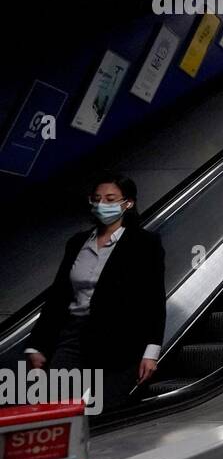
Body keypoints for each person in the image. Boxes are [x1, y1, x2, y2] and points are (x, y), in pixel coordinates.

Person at [27, 174, 164, 412]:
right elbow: (58, 296)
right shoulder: (78, 242)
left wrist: (151, 352)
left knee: (103, 410)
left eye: (111, 199)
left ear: (127, 203)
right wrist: (37, 344)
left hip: (118, 341)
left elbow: (153, 300)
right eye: (97, 198)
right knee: (59, 407)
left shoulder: (144, 243)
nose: (102, 204)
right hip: (71, 336)